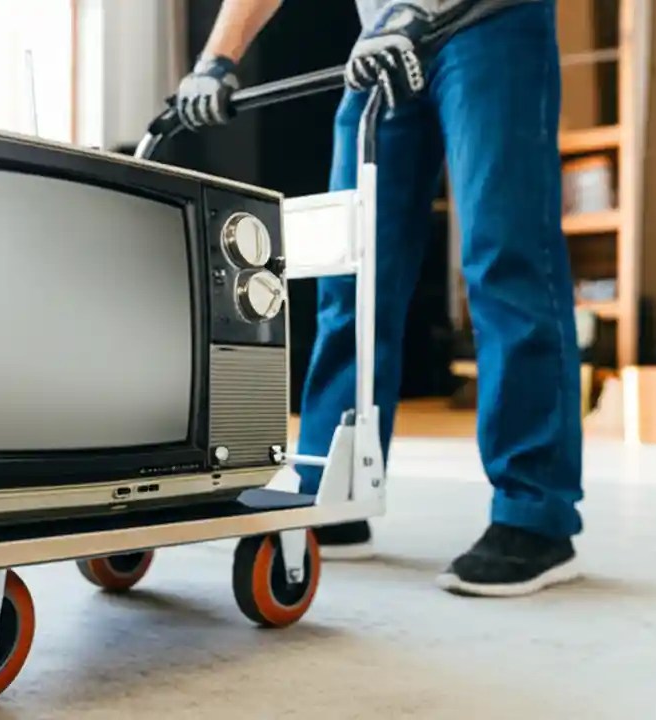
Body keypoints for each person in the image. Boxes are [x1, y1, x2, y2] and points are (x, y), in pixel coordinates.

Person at [174, 0, 583, 597]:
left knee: (505, 256)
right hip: (384, 40)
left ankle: (535, 517)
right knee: (353, 270)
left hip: (488, 22)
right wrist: (216, 60)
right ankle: (334, 491)